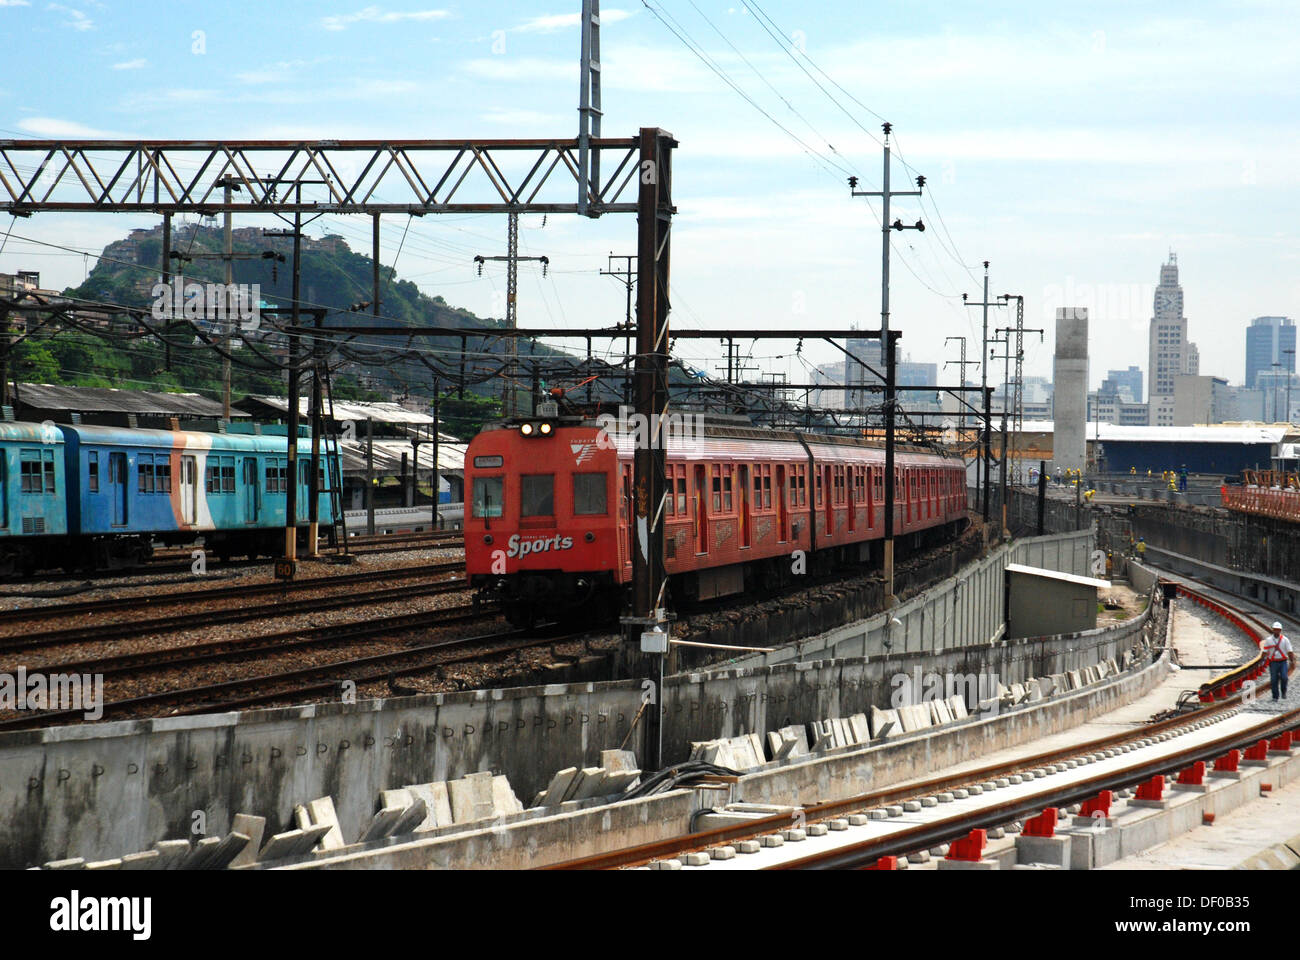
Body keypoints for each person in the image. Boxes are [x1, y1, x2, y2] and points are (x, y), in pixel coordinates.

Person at [1263, 622, 1296, 701]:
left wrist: (1292, 661)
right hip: (1273, 662)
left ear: (1280, 630)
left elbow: (1289, 651)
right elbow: (1265, 651)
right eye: (1275, 630)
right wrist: (1262, 660)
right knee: (1274, 679)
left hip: (1283, 661)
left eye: (1278, 630)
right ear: (1273, 630)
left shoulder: (1285, 640)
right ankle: (1275, 696)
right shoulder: (1268, 640)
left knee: (1284, 677)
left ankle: (1283, 691)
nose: (1276, 631)